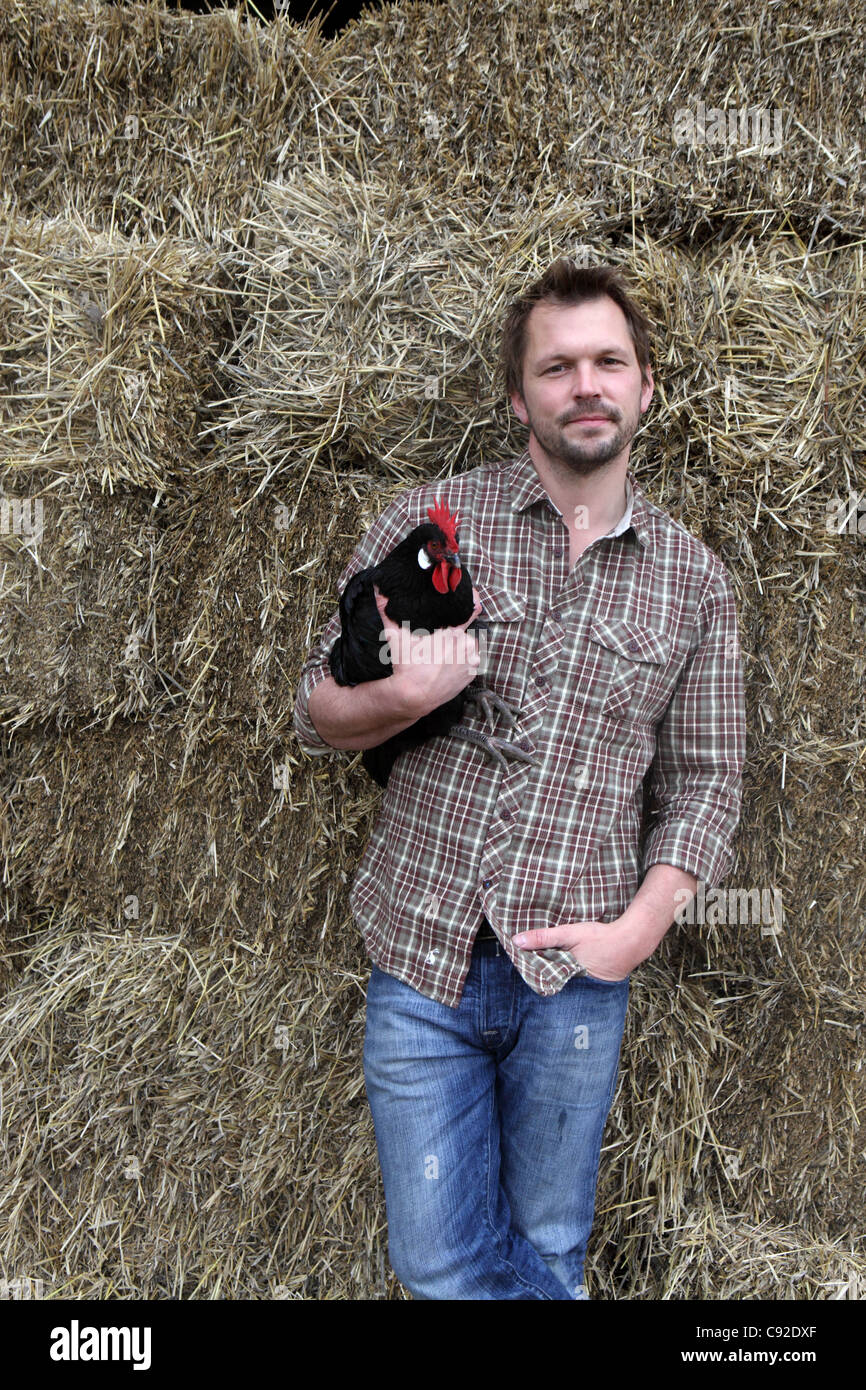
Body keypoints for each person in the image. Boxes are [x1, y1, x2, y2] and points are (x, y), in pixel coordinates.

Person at [293, 259, 746, 1300]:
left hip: (575, 974)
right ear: (518, 397)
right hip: (423, 952)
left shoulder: (693, 581)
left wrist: (635, 932)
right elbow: (316, 703)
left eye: (606, 362)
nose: (583, 384)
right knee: (439, 1262)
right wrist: (401, 698)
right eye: (556, 367)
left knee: (546, 1249)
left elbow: (709, 779)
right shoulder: (434, 519)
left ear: (643, 388)